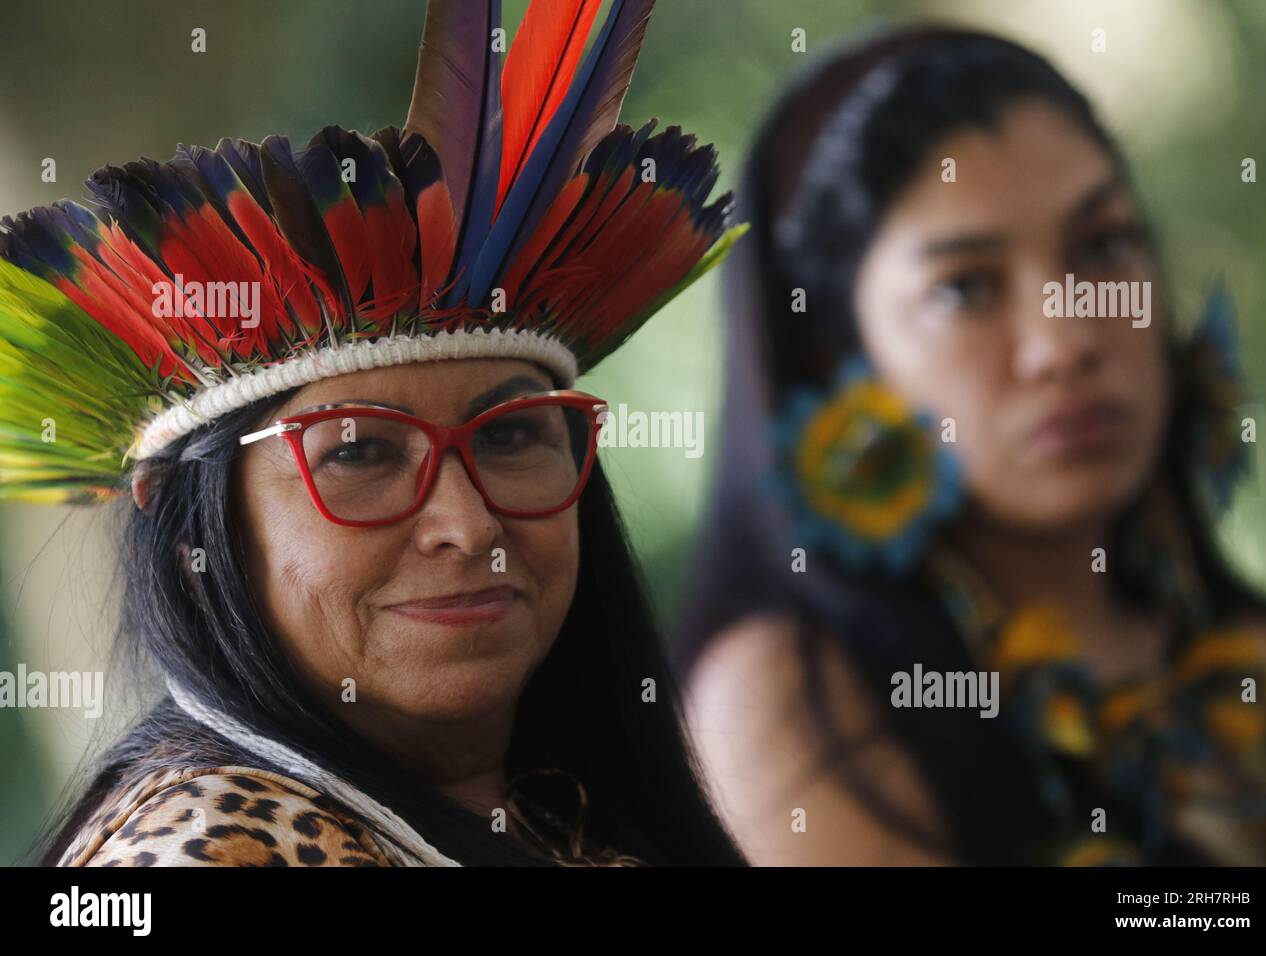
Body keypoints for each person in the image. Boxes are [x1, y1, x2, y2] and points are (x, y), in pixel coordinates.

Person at [0, 0, 747, 867]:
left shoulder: (564, 818)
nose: (468, 527)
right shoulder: (206, 850)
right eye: (357, 452)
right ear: (185, 530)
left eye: (510, 438)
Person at [675, 24, 1266, 866]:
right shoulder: (797, 701)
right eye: (965, 287)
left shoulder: (1264, 656)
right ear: (839, 359)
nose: (1066, 339)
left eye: (1104, 246)